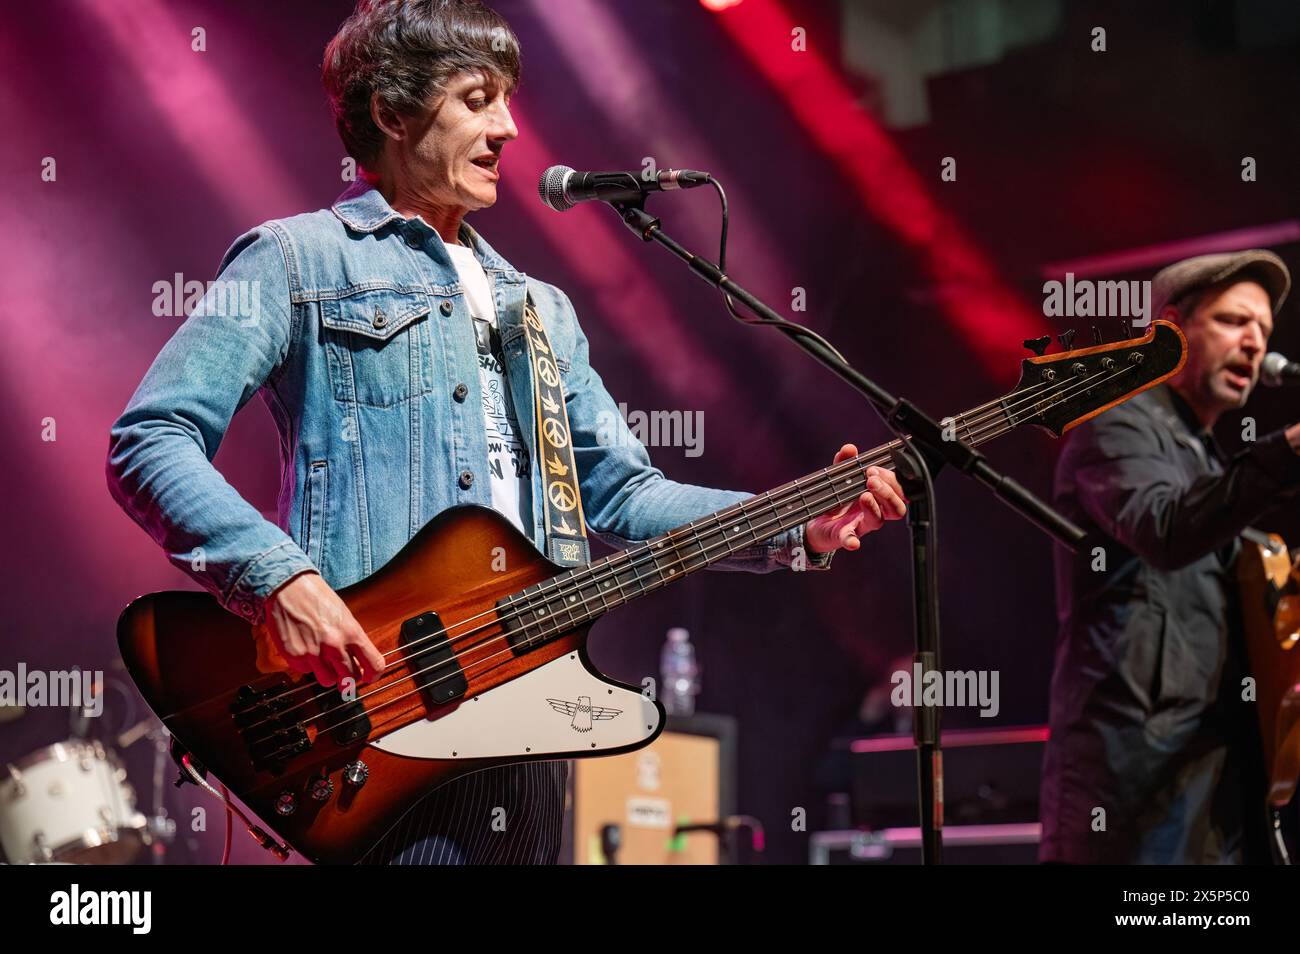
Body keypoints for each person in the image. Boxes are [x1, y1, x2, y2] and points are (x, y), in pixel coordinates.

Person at [105, 0, 907, 865]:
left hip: (526, 731)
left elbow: (624, 495)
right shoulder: (297, 260)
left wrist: (796, 524)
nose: (509, 127)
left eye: (508, 100)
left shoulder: (541, 309)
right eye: (477, 99)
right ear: (393, 112)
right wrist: (277, 580)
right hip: (369, 723)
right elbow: (151, 438)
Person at [1039, 249, 1300, 863]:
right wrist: (1288, 450)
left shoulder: (1202, 454)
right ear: (1173, 331)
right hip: (1133, 785)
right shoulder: (1116, 422)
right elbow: (1164, 528)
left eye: (1263, 329)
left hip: (1208, 778)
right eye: (1233, 321)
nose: (1254, 343)